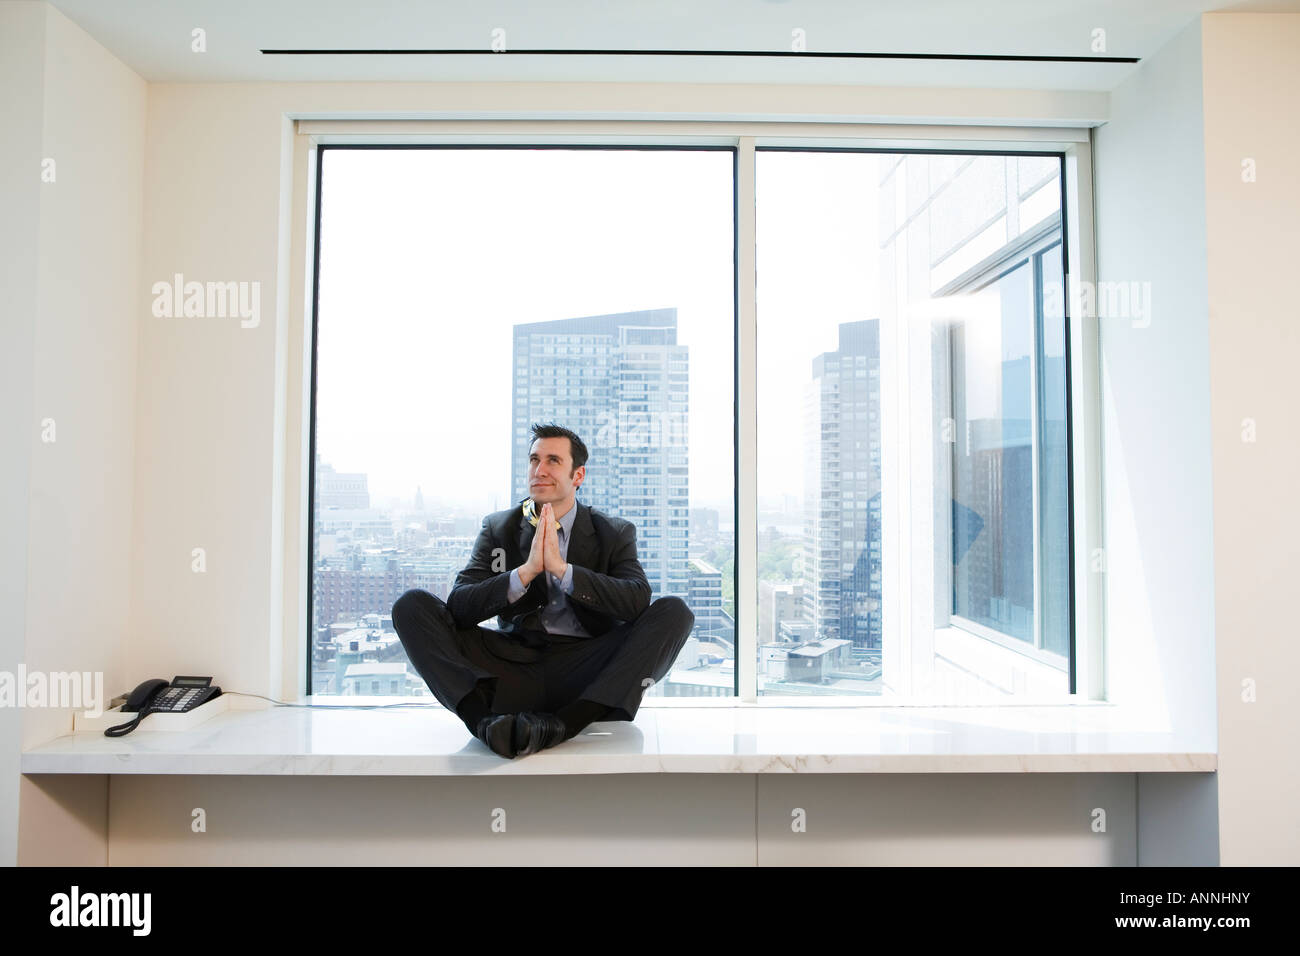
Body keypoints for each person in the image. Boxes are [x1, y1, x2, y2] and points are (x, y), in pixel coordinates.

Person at [391, 422, 695, 758]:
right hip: (512, 664)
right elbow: (460, 606)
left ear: (577, 476)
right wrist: (525, 573)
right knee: (412, 606)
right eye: (534, 460)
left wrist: (564, 571)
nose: (540, 470)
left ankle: (565, 725)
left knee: (675, 612)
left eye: (553, 460)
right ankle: (483, 723)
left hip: (585, 669)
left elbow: (636, 600)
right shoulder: (499, 529)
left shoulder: (613, 532)